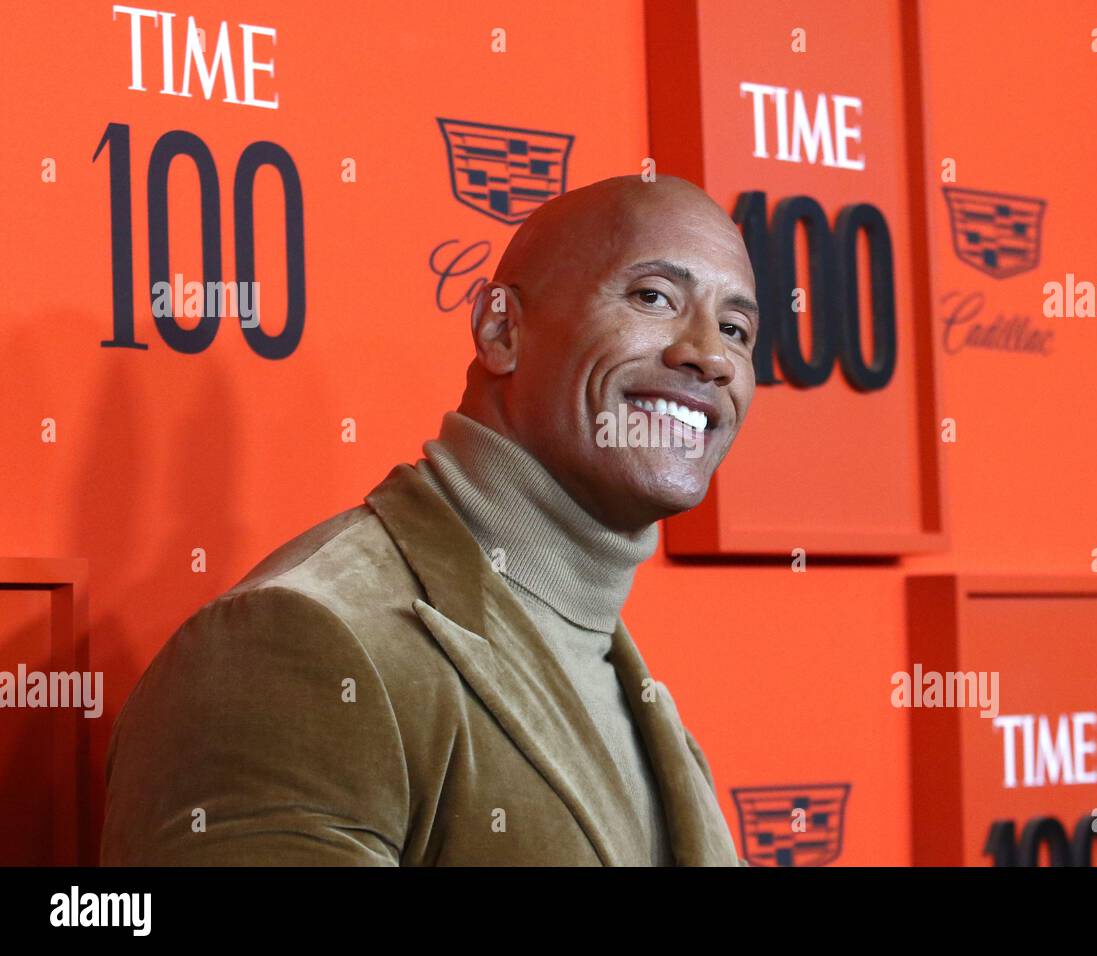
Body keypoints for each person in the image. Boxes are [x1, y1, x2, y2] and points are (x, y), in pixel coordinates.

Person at [100, 174, 759, 866]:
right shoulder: (301, 642)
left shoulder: (636, 697)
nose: (710, 355)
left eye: (737, 330)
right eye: (654, 297)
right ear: (502, 328)